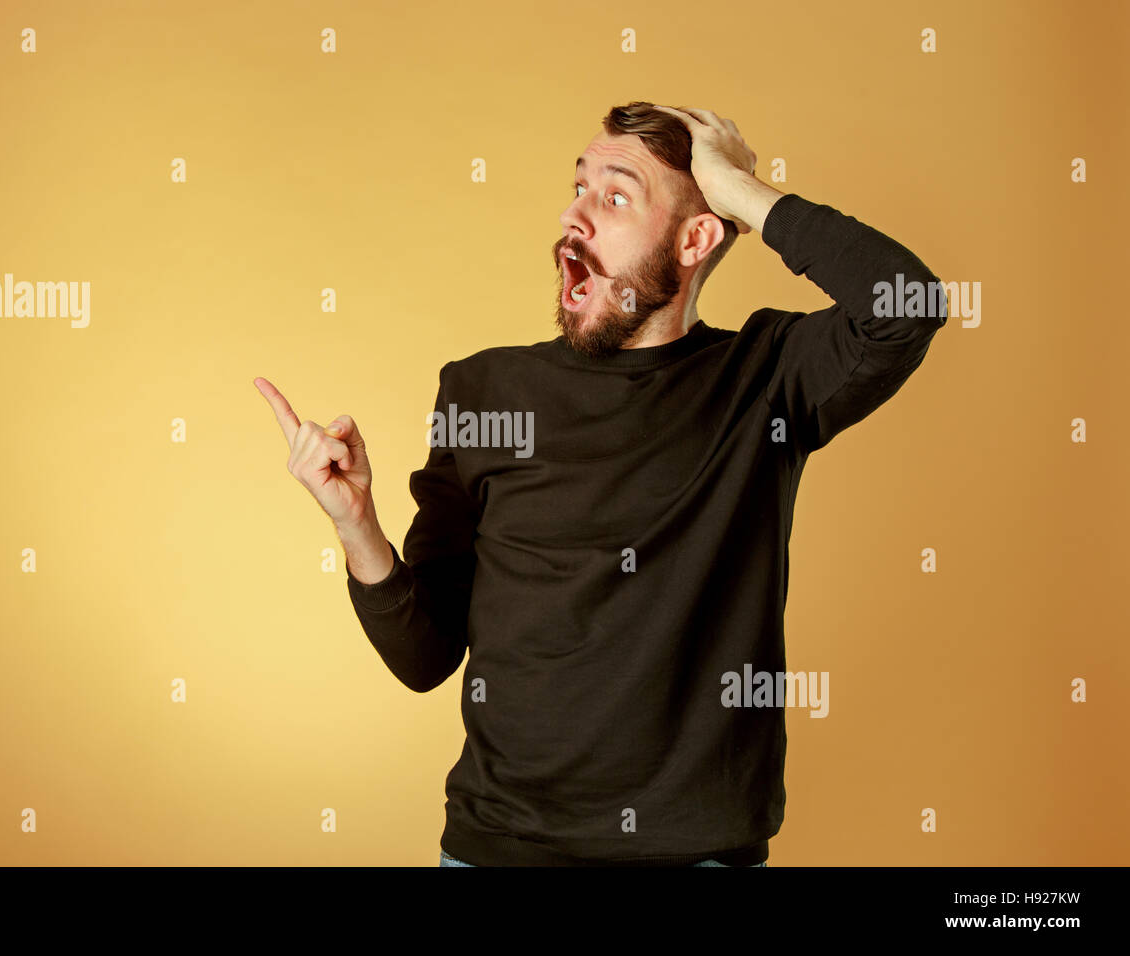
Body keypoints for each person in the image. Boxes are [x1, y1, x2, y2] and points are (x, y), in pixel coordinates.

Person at [256, 101, 946, 867]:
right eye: (578, 186)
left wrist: (740, 188)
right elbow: (425, 658)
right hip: (501, 850)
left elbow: (905, 305)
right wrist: (356, 525)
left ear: (696, 237)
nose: (573, 214)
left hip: (698, 853)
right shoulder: (484, 392)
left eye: (614, 196)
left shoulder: (766, 381)